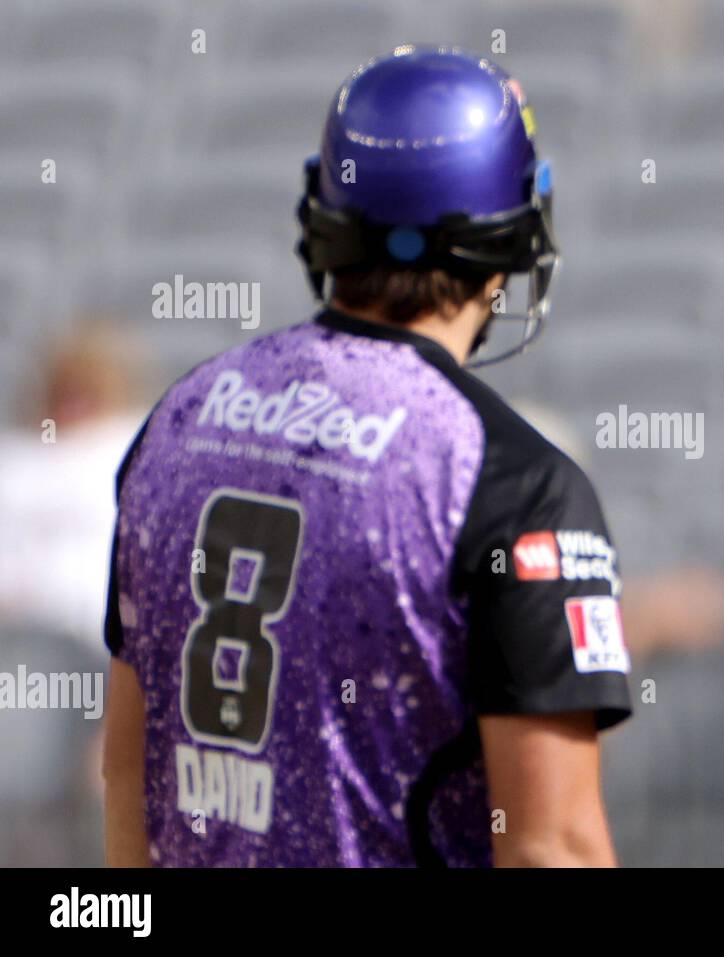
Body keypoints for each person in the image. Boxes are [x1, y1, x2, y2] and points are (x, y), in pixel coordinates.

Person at [102, 46, 632, 867]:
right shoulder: (512, 480)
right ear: (514, 237)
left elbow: (128, 777)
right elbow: (551, 845)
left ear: (326, 213)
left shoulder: (178, 417)